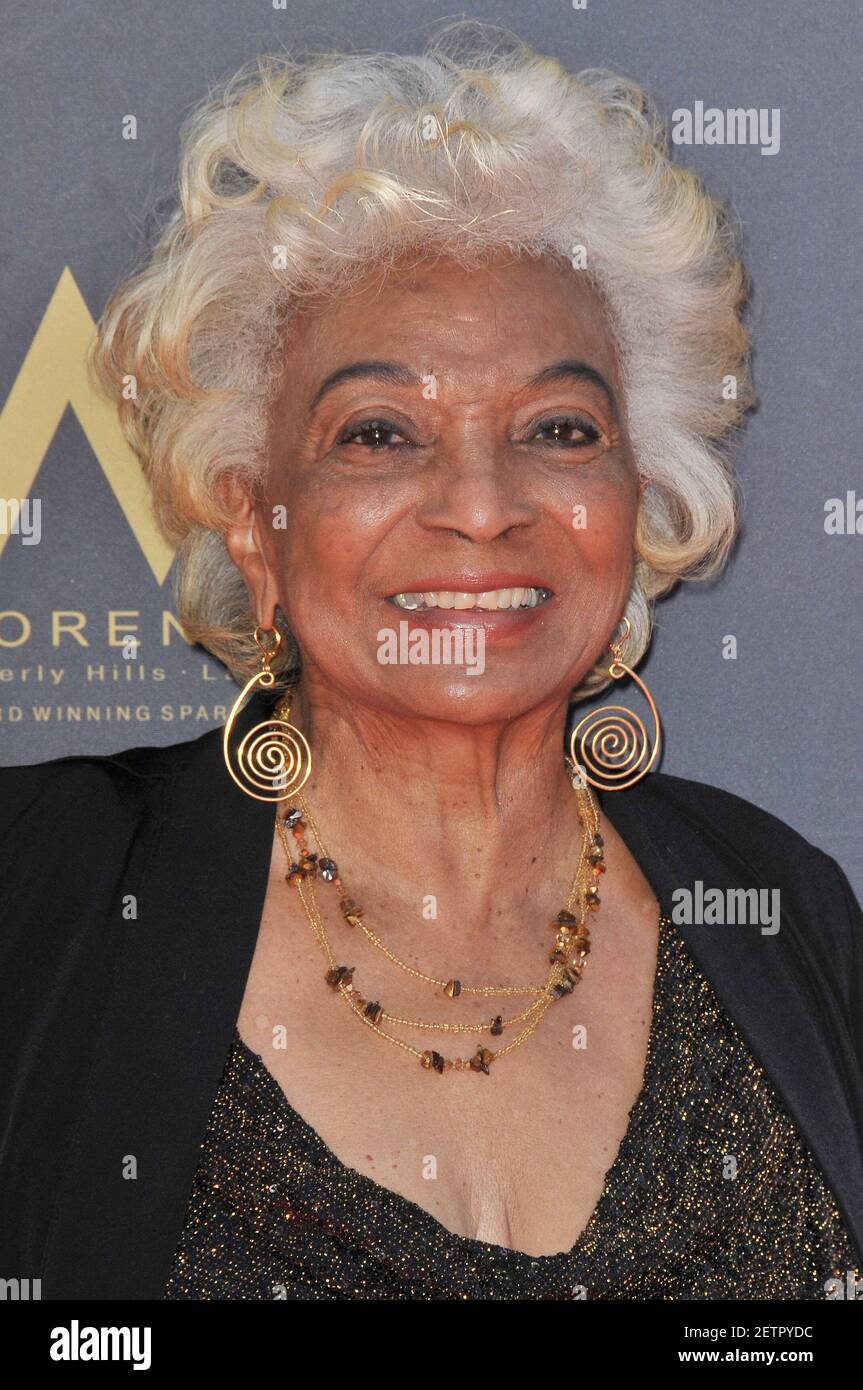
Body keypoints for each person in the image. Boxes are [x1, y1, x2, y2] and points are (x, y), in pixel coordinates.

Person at [2, 22, 861, 1301]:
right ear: (251, 511)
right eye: (380, 433)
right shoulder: (40, 890)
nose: (480, 502)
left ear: (641, 487)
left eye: (557, 427)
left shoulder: (783, 910)